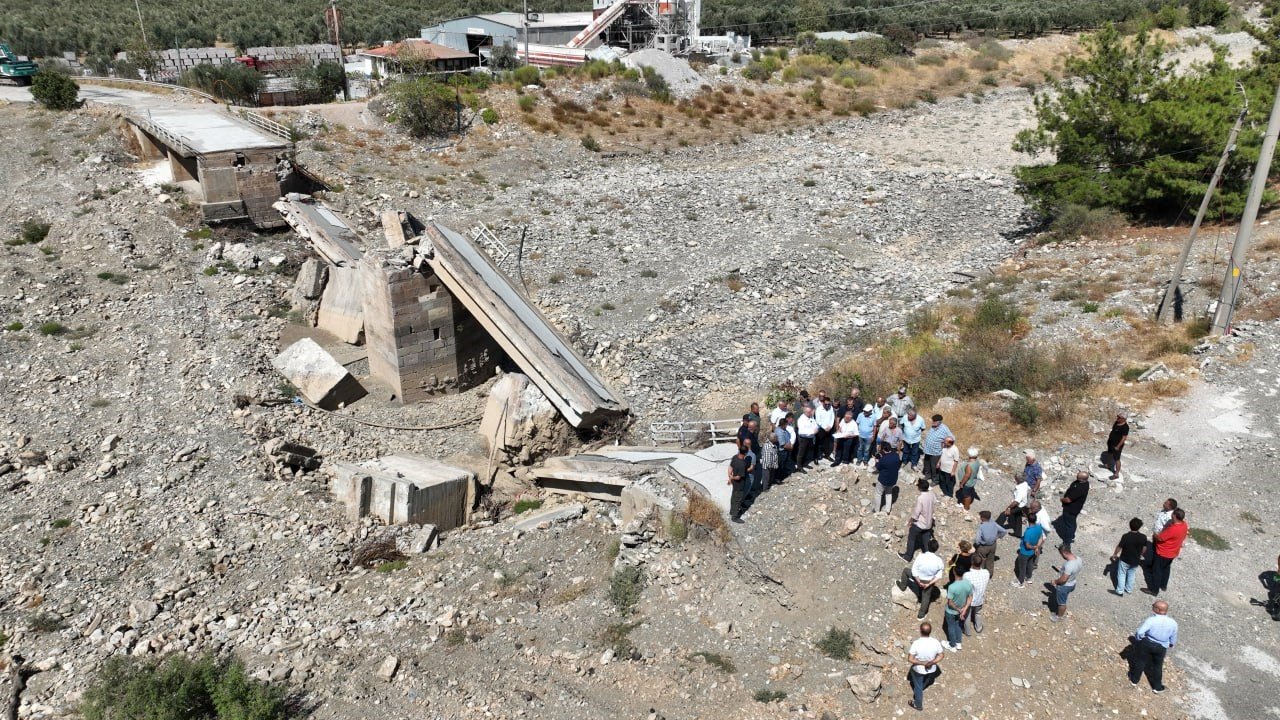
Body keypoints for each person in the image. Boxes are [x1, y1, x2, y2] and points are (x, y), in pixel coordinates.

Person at [1127, 600, 1177, 693]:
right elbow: (1173, 636)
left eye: (1153, 606)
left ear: (1157, 609)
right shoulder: (1173, 623)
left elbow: (1140, 632)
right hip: (1162, 646)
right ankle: (1157, 687)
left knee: (1141, 661)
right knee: (1158, 666)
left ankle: (1134, 680)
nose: (1152, 607)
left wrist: (1139, 639)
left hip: (1148, 643)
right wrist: (1171, 644)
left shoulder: (1151, 620)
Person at [897, 538, 945, 619]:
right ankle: (921, 615)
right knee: (926, 597)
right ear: (936, 549)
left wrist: (919, 582)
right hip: (929, 581)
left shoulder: (921, 556)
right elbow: (939, 576)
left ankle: (902, 586)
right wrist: (929, 584)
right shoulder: (939, 561)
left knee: (906, 571)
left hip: (918, 579)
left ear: (928, 546)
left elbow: (914, 571)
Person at [1146, 508, 1187, 596]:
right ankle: (1163, 585)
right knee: (1166, 568)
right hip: (1173, 552)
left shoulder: (1173, 529)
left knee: (1157, 571)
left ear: (1175, 516)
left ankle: (1154, 590)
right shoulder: (1184, 525)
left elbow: (1160, 538)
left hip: (1163, 552)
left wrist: (1155, 534)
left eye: (1173, 514)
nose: (1171, 515)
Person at [906, 621, 944, 711]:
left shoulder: (916, 643)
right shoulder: (935, 642)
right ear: (930, 631)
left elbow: (910, 659)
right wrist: (931, 663)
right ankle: (926, 683)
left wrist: (922, 663)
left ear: (920, 631)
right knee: (928, 677)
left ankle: (918, 705)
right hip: (931, 668)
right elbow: (941, 655)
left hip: (919, 669)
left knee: (918, 687)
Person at [1053, 471, 1090, 552]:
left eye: (1078, 477)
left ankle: (1066, 543)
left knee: (1068, 526)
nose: (1076, 478)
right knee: (1072, 523)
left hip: (1071, 509)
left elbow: (1068, 500)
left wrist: (1061, 499)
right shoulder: (1084, 483)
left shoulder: (1080, 488)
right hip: (1075, 509)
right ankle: (1071, 536)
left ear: (1083, 479)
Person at [1111, 518, 1147, 596]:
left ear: (1130, 525)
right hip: (1136, 560)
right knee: (1131, 574)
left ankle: (1120, 591)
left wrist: (1115, 554)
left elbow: (1120, 547)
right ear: (1140, 527)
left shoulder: (1126, 536)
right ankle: (1129, 589)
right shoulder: (1143, 537)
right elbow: (1144, 548)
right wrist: (1141, 554)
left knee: (1122, 574)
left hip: (1125, 559)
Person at [901, 479, 935, 562]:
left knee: (912, 538)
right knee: (926, 541)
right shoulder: (932, 494)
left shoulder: (921, 498)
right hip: (928, 523)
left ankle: (908, 556)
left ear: (920, 488)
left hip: (920, 523)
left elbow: (916, 513)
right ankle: (928, 558)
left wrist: (910, 521)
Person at [1049, 545, 1082, 622]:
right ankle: (1059, 613)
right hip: (1073, 582)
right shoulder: (1078, 559)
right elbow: (1074, 570)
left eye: (1061, 554)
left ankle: (1058, 617)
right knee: (1063, 598)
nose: (1061, 556)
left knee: (1062, 603)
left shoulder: (1069, 565)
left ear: (1064, 553)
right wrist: (1063, 570)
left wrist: (1055, 581)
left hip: (1064, 586)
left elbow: (1063, 580)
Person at [942, 570, 972, 652]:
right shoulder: (968, 583)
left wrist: (959, 610)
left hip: (951, 611)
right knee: (958, 625)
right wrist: (964, 609)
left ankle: (952, 645)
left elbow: (950, 603)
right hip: (962, 610)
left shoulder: (952, 587)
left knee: (951, 627)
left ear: (954, 573)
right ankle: (958, 643)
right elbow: (970, 597)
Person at [1013, 514, 1045, 588]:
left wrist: (1034, 547)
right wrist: (1037, 547)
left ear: (1028, 520)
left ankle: (1020, 582)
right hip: (1032, 553)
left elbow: (1027, 546)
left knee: (1022, 567)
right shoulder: (1039, 527)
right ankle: (1028, 578)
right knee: (1030, 564)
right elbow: (1041, 538)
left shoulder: (1028, 532)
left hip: (1024, 552)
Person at [921, 414, 954, 484]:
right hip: (928, 450)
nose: (932, 423)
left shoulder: (944, 428)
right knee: (926, 464)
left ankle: (935, 480)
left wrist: (945, 444)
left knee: (934, 467)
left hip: (936, 452)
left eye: (934, 421)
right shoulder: (934, 426)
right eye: (932, 421)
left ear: (939, 422)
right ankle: (928, 475)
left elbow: (952, 438)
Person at [962, 554, 990, 634]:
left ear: (972, 562)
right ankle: (979, 627)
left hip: (969, 601)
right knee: (978, 613)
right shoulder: (986, 573)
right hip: (980, 599)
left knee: (967, 615)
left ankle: (967, 631)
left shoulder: (967, 575)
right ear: (981, 563)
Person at [973, 510, 1006, 576]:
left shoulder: (981, 527)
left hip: (984, 546)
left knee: (980, 559)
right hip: (993, 545)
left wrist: (976, 545)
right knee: (990, 560)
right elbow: (1004, 531)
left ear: (983, 518)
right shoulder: (994, 524)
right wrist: (997, 537)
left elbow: (977, 540)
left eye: (980, 517)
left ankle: (980, 574)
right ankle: (989, 574)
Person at [873, 442, 902, 514]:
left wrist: (876, 461)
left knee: (878, 493)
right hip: (893, 479)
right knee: (889, 493)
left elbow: (878, 468)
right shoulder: (896, 455)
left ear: (883, 449)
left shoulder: (884, 459)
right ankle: (888, 510)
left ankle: (877, 510)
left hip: (883, 479)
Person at [998, 473, 1031, 537]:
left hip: (1019, 506)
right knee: (1018, 518)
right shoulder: (1025, 484)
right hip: (1023, 505)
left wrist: (1008, 508)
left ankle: (995, 527)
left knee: (1004, 514)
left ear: (1018, 479)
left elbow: (1016, 502)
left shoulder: (1020, 489)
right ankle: (1018, 533)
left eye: (1015, 478)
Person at [1148, 498, 1177, 568]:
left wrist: (1159, 535)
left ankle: (1155, 567)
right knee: (1154, 549)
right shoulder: (1163, 511)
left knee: (1158, 552)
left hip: (1160, 536)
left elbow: (1168, 529)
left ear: (1170, 506)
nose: (1163, 503)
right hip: (1156, 534)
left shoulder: (1171, 516)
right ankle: (1152, 564)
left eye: (1165, 503)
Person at [727, 444, 752, 524]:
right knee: (738, 499)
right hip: (739, 484)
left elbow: (730, 468)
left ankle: (732, 511)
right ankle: (734, 516)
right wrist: (733, 478)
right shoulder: (742, 464)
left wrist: (730, 477)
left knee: (733, 497)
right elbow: (738, 477)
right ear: (746, 453)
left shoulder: (734, 457)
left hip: (734, 483)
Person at [956, 447, 982, 512]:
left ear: (969, 455)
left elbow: (967, 475)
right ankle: (963, 503)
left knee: (966, 496)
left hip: (967, 483)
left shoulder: (969, 465)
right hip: (972, 481)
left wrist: (962, 483)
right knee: (968, 493)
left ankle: (966, 508)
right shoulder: (977, 462)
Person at [794, 405, 818, 473]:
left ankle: (804, 463)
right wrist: (812, 432)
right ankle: (799, 466)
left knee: (807, 452)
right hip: (803, 438)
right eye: (809, 412)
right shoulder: (801, 420)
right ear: (805, 412)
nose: (811, 413)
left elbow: (814, 424)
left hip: (810, 438)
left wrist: (816, 428)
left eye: (811, 412)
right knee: (801, 453)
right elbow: (801, 432)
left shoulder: (811, 417)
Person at [1106, 412, 1129, 480]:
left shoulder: (1125, 427)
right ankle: (1108, 465)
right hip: (1111, 442)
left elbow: (1124, 437)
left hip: (1117, 445)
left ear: (1123, 419)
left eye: (1119, 417)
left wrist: (1118, 446)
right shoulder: (1116, 422)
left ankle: (1116, 474)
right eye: (1117, 416)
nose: (1117, 418)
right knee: (1109, 453)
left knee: (1117, 459)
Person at [815, 396, 837, 461]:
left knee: (827, 443)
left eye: (828, 404)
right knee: (819, 443)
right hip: (821, 429)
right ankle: (817, 456)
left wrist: (830, 426)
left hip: (829, 428)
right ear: (823, 403)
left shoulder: (831, 408)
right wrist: (825, 427)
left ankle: (827, 455)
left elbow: (832, 418)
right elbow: (818, 420)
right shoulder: (818, 409)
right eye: (826, 404)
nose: (827, 405)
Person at [774, 415, 795, 481]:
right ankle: (778, 478)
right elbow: (783, 445)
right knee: (781, 465)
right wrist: (791, 447)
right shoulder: (780, 432)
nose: (786, 426)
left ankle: (783, 474)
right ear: (783, 425)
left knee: (784, 464)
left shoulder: (783, 429)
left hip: (786, 450)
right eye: (786, 425)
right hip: (782, 452)